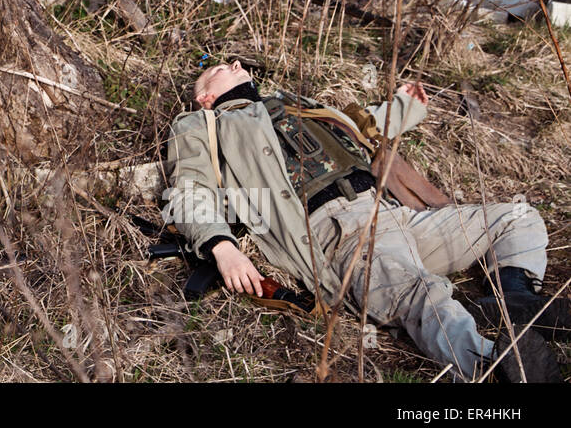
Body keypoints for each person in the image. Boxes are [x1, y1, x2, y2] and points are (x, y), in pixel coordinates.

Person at [163, 57, 567, 382]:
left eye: (235, 63)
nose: (234, 64)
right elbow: (188, 191)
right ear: (204, 98)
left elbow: (364, 127)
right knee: (421, 294)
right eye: (219, 69)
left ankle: (517, 302)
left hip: (397, 215)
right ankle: (492, 368)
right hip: (339, 233)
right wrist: (222, 247)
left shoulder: (298, 104)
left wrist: (407, 105)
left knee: (517, 217)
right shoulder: (204, 125)